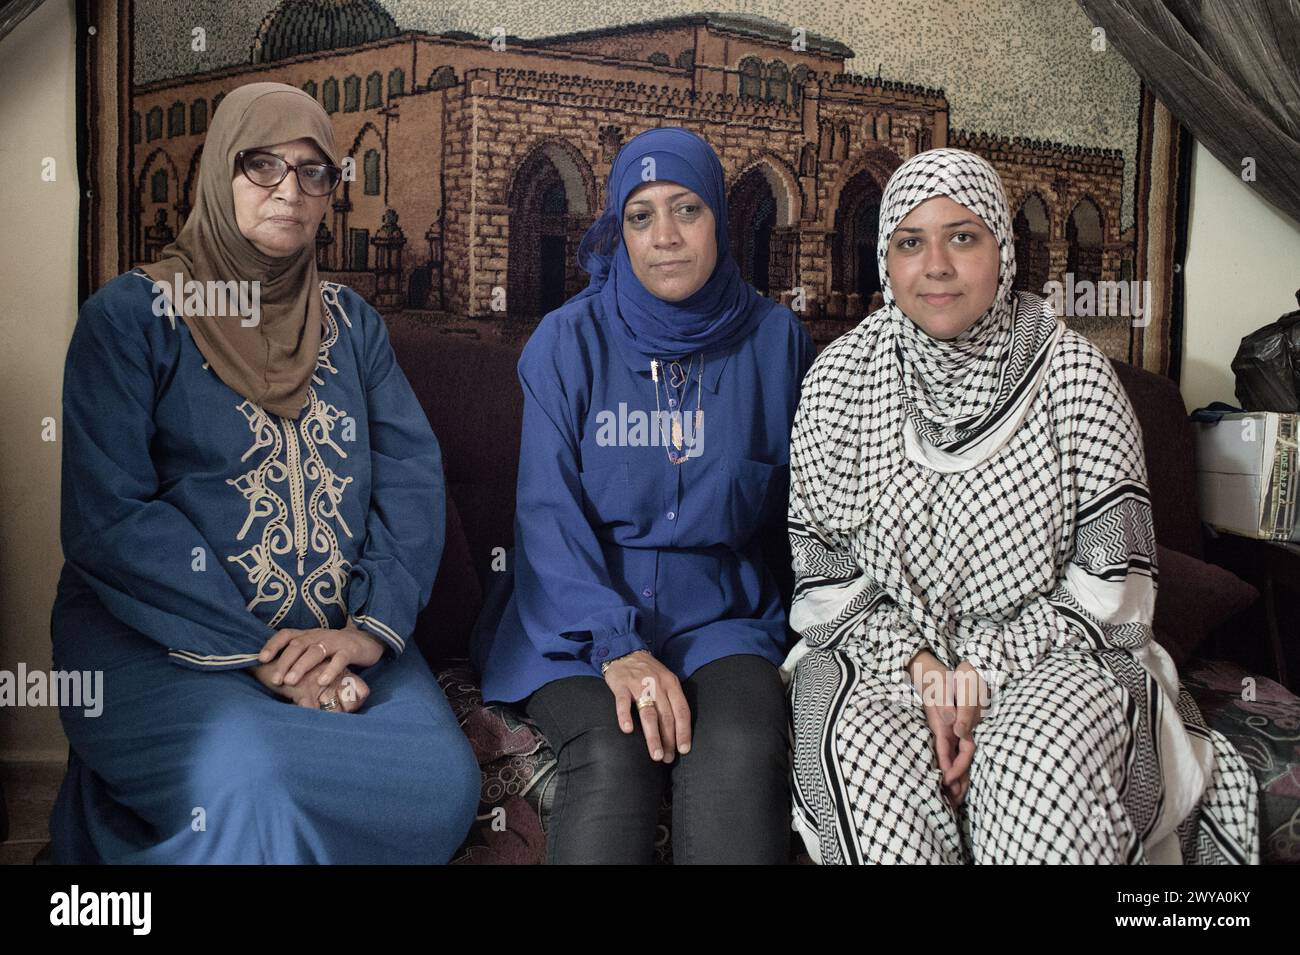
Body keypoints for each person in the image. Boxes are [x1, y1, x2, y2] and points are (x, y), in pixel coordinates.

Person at [783, 147, 1259, 864]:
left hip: (1054, 652)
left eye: (962, 236)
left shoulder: (1073, 378)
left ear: (1003, 251)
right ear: (885, 258)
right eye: (910, 241)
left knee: (1042, 765)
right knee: (862, 754)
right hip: (886, 653)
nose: (935, 264)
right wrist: (928, 672)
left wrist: (977, 674)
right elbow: (822, 564)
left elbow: (1111, 585)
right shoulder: (839, 381)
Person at [49, 81, 480, 863]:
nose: (291, 190)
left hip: (337, 644)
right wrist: (264, 655)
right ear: (219, 171)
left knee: (442, 788)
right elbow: (108, 517)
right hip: (162, 640)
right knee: (256, 784)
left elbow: (412, 481)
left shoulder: (354, 328)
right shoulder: (132, 318)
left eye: (315, 171)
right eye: (263, 166)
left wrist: (366, 635)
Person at [471, 127, 815, 864]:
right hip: (571, 619)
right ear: (617, 229)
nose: (665, 236)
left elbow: (808, 511)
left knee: (744, 746)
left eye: (687, 209)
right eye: (640, 215)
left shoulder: (778, 343)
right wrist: (619, 646)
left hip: (721, 615)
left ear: (721, 218)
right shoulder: (568, 343)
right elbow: (547, 517)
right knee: (614, 751)